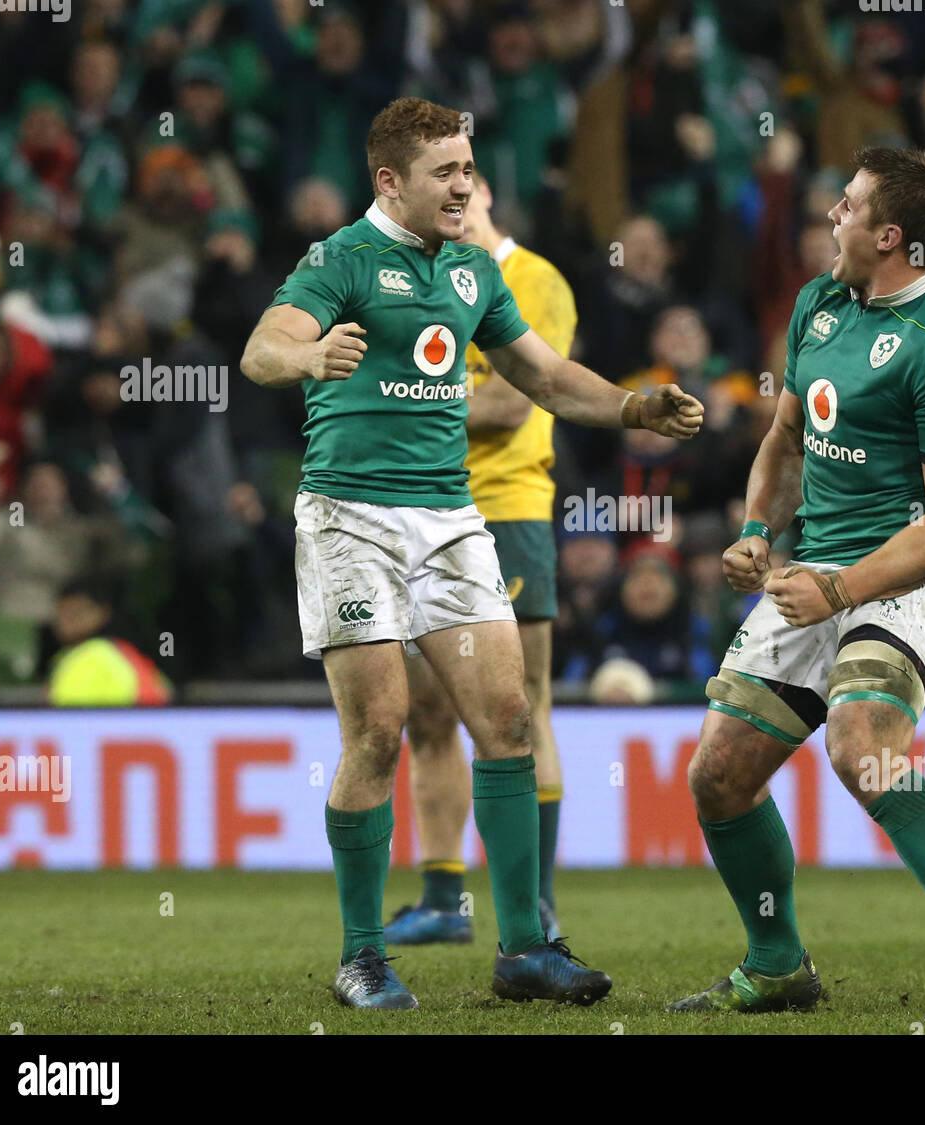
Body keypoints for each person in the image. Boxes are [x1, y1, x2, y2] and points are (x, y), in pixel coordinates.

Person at [240, 97, 703, 1011]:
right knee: (378, 730)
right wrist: (309, 358)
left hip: (451, 519)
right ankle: (363, 956)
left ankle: (526, 948)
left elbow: (542, 375)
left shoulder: (470, 272)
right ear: (390, 181)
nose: (465, 187)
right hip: (353, 520)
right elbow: (261, 347)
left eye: (468, 168)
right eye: (446, 172)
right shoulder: (341, 259)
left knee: (510, 721)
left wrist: (633, 406)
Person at [671, 146, 925, 1021]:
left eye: (845, 206)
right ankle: (776, 965)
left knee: (862, 745)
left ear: (889, 236)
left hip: (907, 577)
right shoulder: (820, 302)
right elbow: (784, 440)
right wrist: (758, 534)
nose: (828, 217)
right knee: (717, 775)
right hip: (811, 575)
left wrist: (840, 592)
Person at [382, 169, 575, 947]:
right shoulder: (418, 281)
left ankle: (538, 901)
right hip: (419, 510)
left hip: (508, 509)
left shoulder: (536, 281)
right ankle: (441, 898)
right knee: (425, 711)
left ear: (487, 190)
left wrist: (403, 398)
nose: (454, 204)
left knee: (521, 704)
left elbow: (510, 403)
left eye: (464, 187)